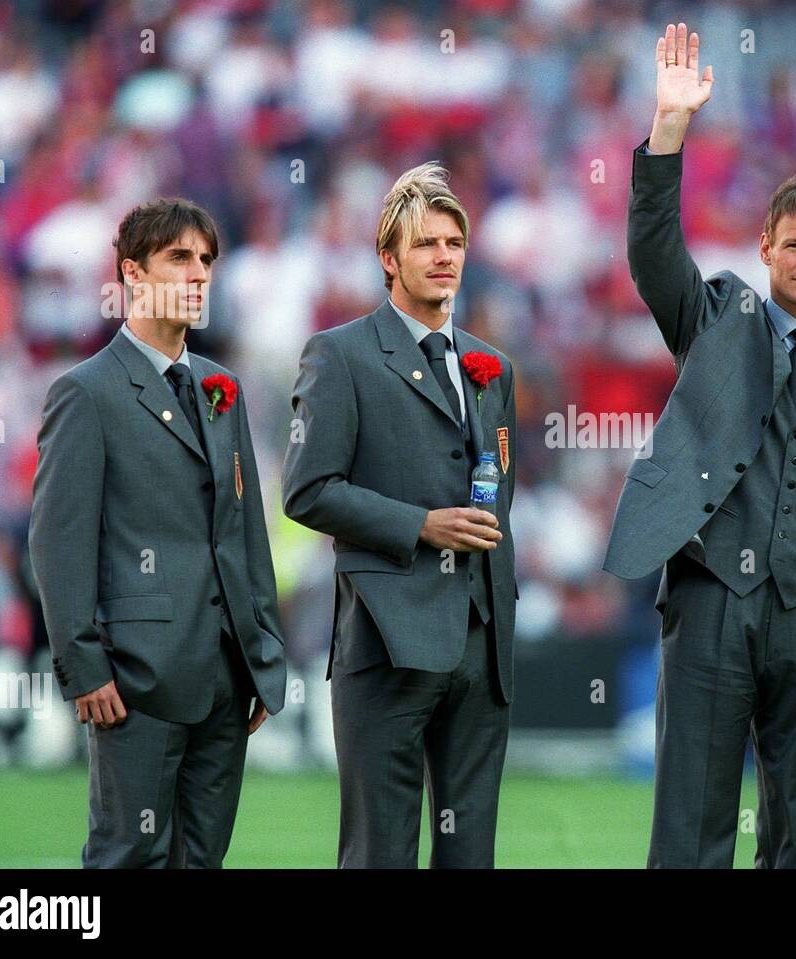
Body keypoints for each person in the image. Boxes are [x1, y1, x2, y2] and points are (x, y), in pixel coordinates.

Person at [603, 23, 796, 868]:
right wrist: (668, 130)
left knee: (795, 842)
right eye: (795, 245)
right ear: (764, 248)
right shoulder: (716, 319)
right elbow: (652, 250)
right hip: (710, 603)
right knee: (689, 837)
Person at [29, 197, 287, 867]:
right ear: (132, 274)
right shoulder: (85, 392)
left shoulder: (220, 387)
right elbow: (58, 543)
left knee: (201, 860)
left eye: (206, 259)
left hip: (226, 678)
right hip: (134, 679)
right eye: (179, 257)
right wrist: (83, 666)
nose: (198, 272)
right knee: (129, 855)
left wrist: (262, 654)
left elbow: (245, 532)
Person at [282, 162, 517, 868]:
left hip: (482, 644)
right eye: (426, 244)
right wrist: (422, 524)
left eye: (453, 242)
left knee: (469, 856)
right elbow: (307, 489)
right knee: (379, 854)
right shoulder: (340, 354)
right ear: (389, 258)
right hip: (386, 641)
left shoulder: (492, 365)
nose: (444, 256)